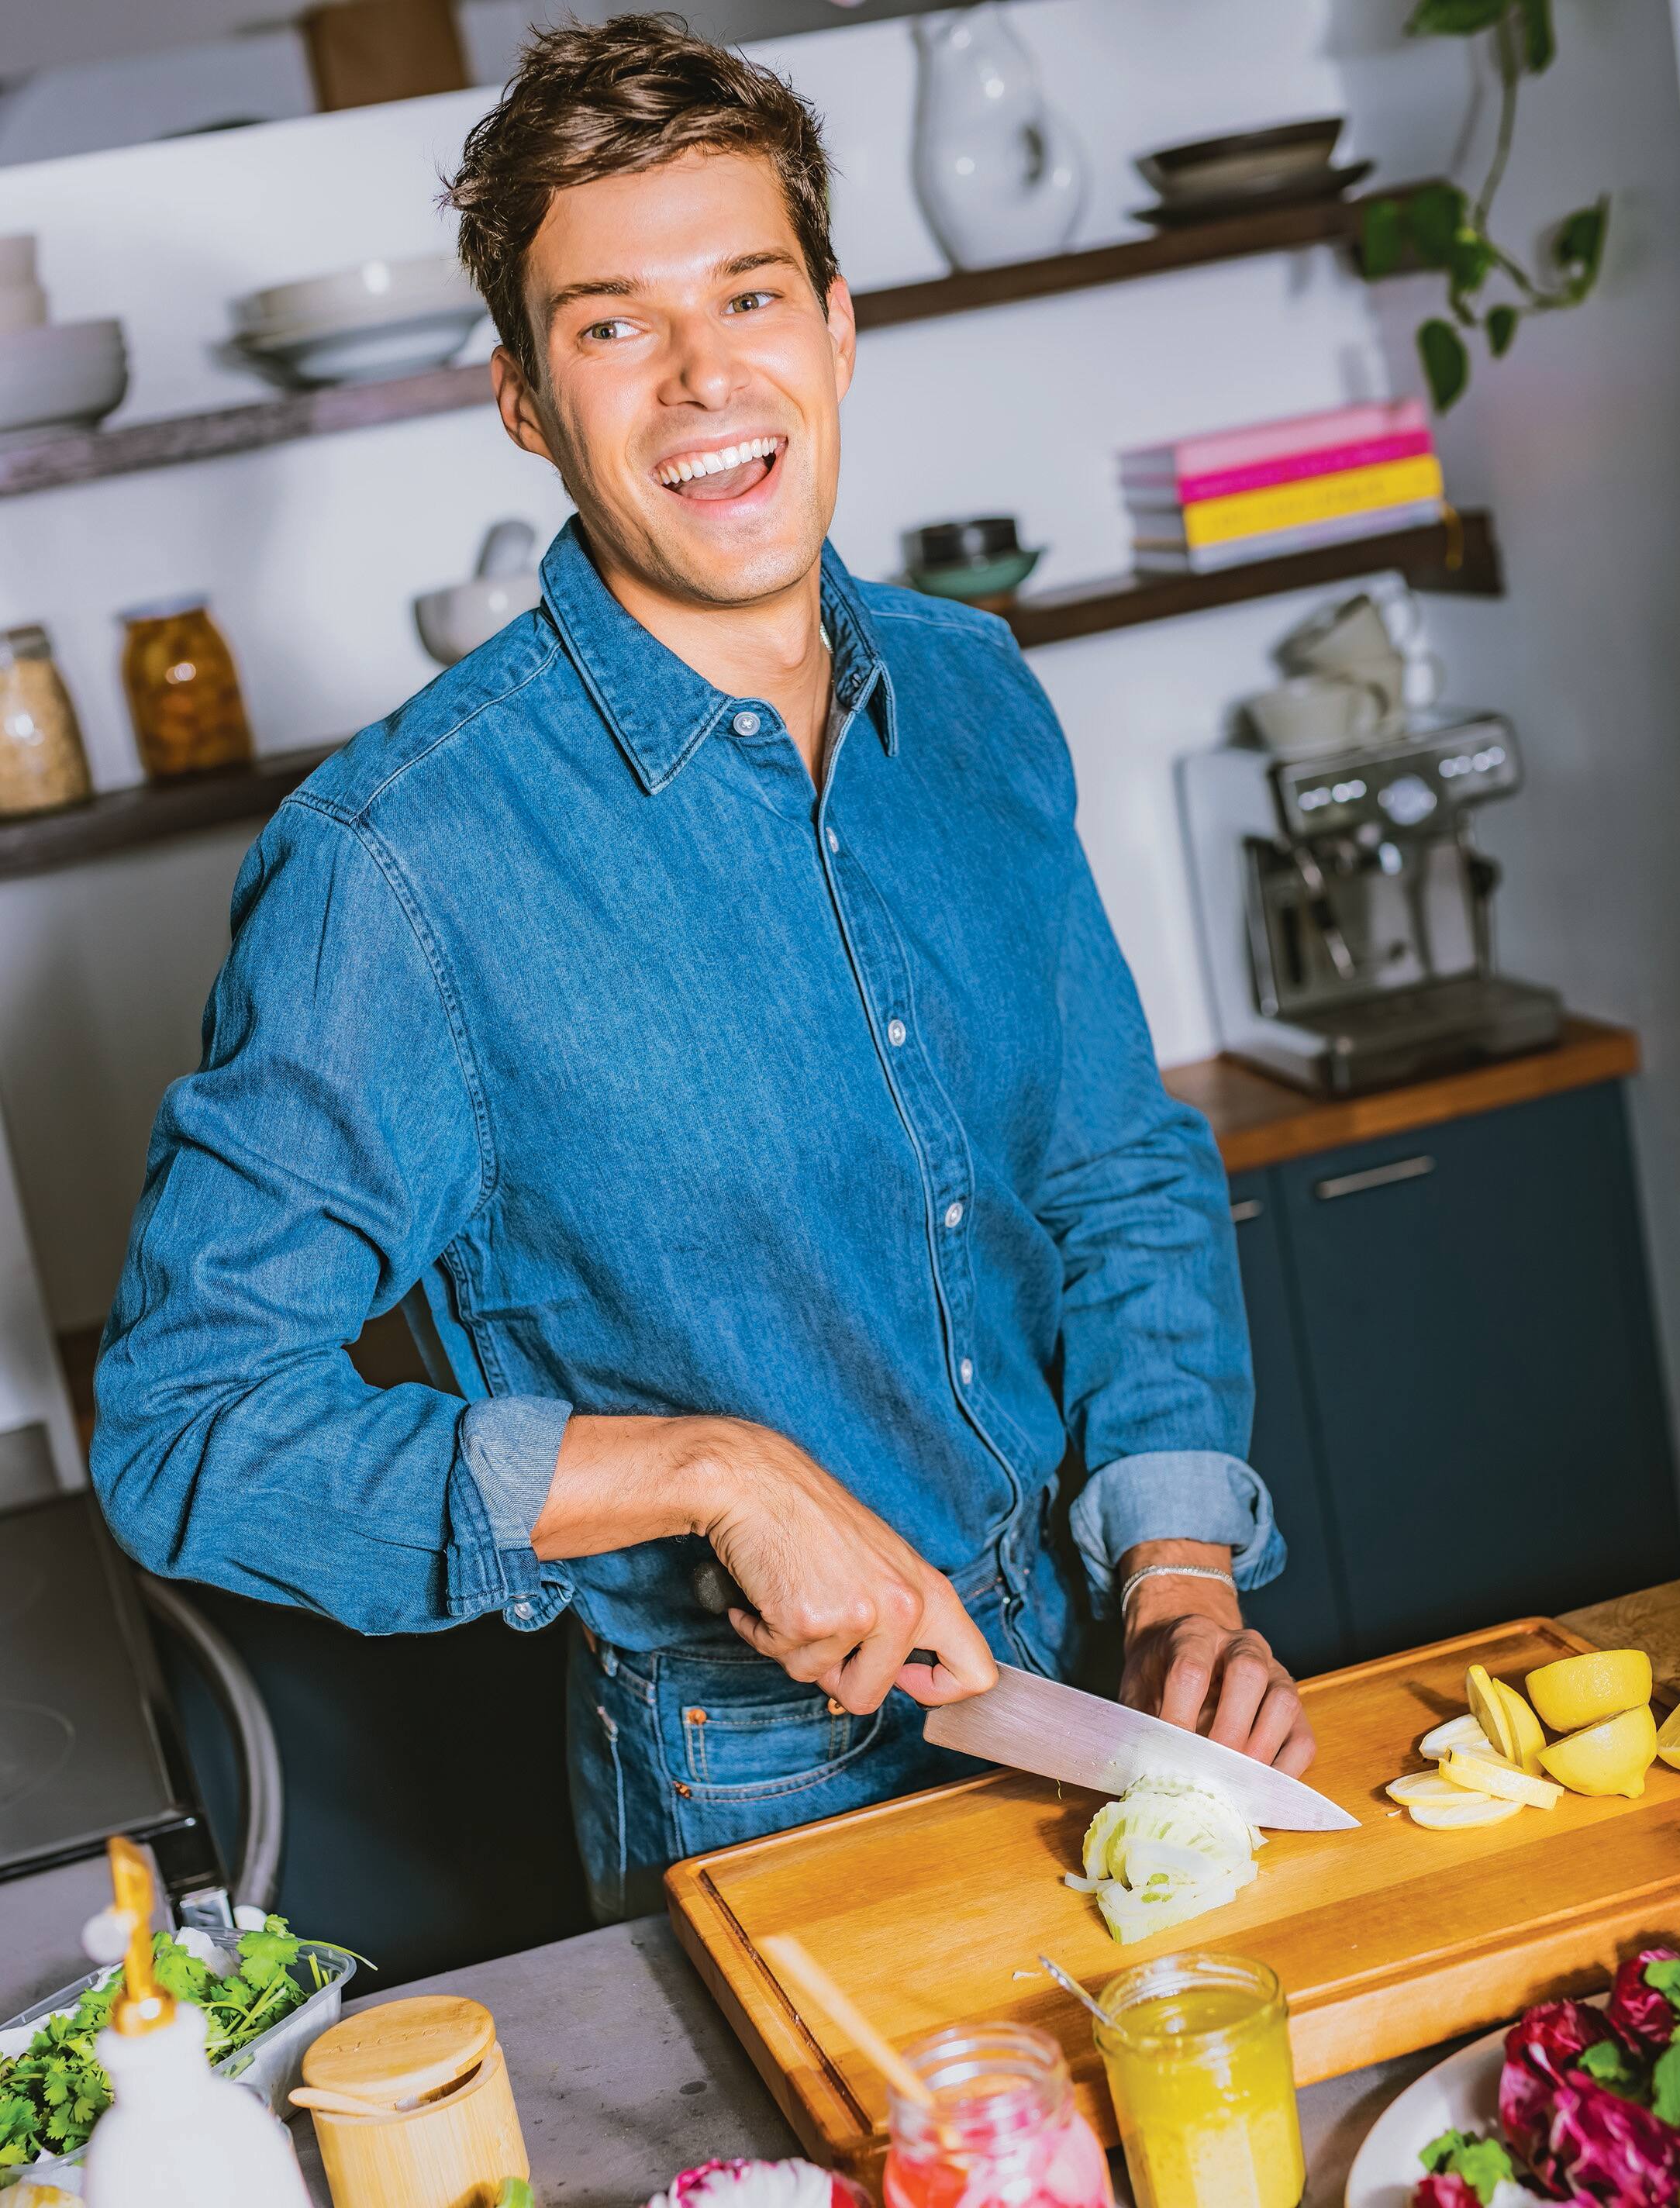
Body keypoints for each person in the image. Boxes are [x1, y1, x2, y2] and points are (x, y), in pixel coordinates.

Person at [91, 12, 1313, 1923]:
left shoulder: (975, 693)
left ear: (837, 324)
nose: (698, 377)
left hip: (1109, 1684)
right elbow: (193, 1429)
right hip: (763, 1798)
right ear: (521, 397)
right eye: (608, 324)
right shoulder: (398, 864)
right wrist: (705, 1469)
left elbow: (1108, 1164)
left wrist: (1176, 1568)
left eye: (747, 293)